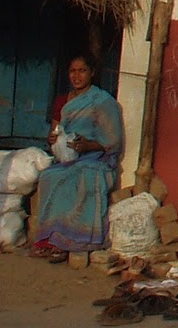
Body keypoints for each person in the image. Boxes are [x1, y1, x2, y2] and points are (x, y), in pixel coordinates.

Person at [30, 55, 124, 259]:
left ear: (91, 73)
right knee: (49, 176)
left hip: (96, 158)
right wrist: (54, 139)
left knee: (83, 174)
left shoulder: (102, 101)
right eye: (73, 71)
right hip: (68, 158)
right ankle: (50, 237)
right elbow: (55, 131)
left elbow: (113, 141)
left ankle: (74, 239)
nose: (77, 75)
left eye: (82, 70)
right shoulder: (63, 101)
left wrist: (88, 145)